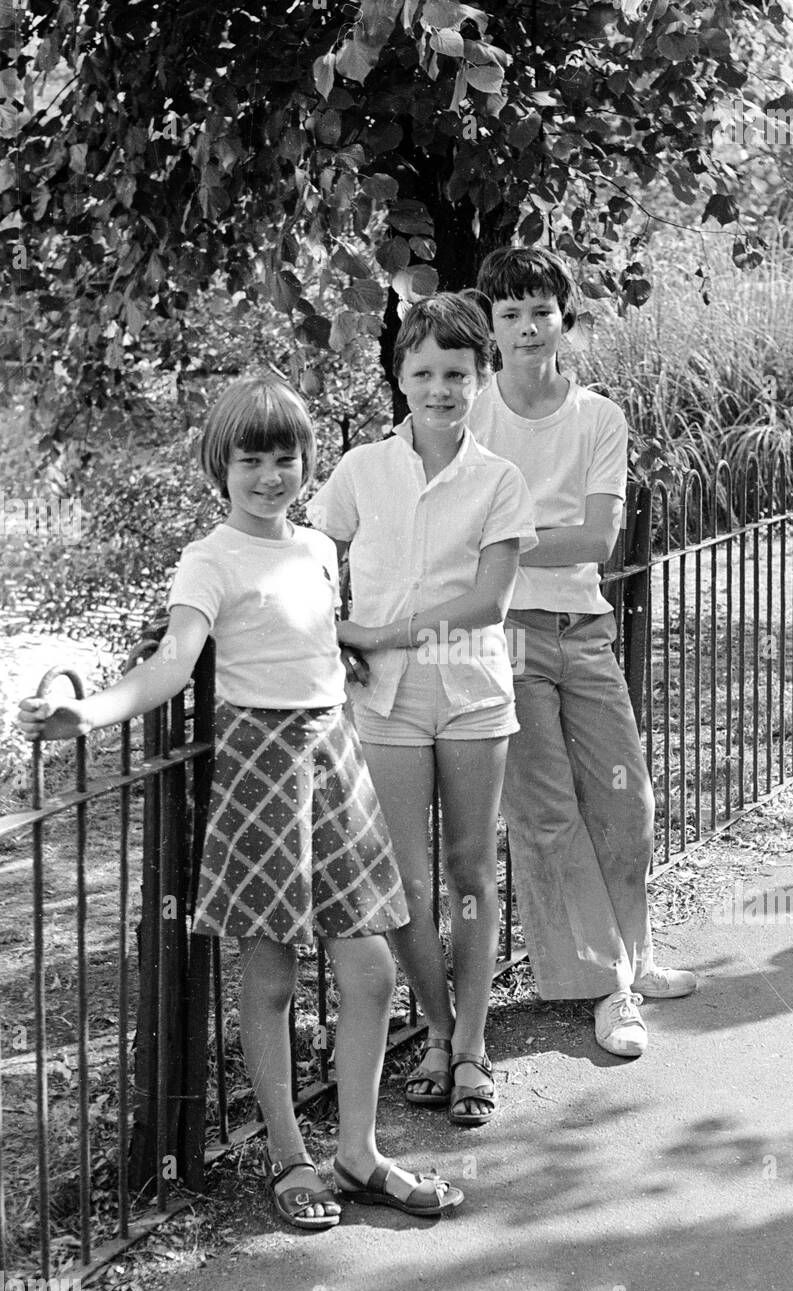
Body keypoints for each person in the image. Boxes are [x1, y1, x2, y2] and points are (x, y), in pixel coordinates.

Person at [17, 375, 463, 1224]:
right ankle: (291, 1159)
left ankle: (359, 1153)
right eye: (250, 459)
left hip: (334, 755)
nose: (270, 474)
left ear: (305, 462)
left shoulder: (315, 548)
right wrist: (88, 712)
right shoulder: (209, 558)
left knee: (368, 969)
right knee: (270, 977)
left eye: (284, 456)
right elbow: (171, 666)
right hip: (262, 768)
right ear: (218, 467)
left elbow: (318, 637)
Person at [306, 293, 537, 1126]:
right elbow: (311, 551)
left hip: (471, 694)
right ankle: (437, 1033)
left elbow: (487, 604)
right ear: (399, 377)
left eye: (457, 373)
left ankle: (474, 1048)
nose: (439, 388)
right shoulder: (363, 467)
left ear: (481, 379)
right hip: (384, 705)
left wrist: (384, 629)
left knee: (471, 874)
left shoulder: (499, 479)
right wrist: (317, 624)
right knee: (402, 882)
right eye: (423, 372)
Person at [470, 247, 698, 1058]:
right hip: (504, 638)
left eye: (540, 311)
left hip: (584, 630)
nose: (527, 329)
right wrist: (514, 548)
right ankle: (608, 988)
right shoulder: (466, 415)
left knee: (625, 804)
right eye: (509, 315)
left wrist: (495, 540)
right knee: (546, 814)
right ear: (490, 326)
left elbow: (597, 540)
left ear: (563, 317)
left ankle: (629, 958)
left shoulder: (597, 416)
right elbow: (436, 522)